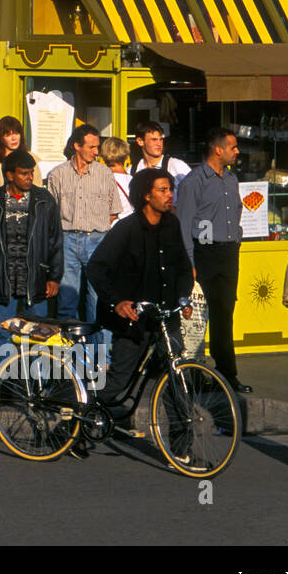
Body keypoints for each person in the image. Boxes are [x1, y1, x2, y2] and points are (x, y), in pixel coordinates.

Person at [86, 169, 194, 417]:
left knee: (177, 383)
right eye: (163, 190)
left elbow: (183, 268)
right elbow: (96, 267)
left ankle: (182, 452)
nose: (170, 195)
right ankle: (78, 423)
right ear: (146, 195)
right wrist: (117, 302)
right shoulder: (127, 228)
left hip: (166, 318)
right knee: (118, 382)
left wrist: (183, 297)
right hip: (136, 321)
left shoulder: (172, 224)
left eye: (171, 190)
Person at [177, 127, 250, 394]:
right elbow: (184, 225)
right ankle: (192, 378)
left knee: (224, 316)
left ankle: (227, 376)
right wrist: (189, 263)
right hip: (203, 252)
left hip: (227, 253)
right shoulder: (193, 182)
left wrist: (236, 239)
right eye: (233, 147)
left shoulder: (230, 179)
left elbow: (237, 212)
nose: (237, 151)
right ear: (218, 149)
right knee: (195, 321)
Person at [0, 148, 63, 365]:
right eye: (24, 173)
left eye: (31, 173)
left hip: (35, 277)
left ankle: (38, 387)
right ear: (10, 175)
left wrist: (55, 276)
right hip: (3, 278)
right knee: (3, 335)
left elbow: (55, 240)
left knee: (39, 336)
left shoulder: (44, 200)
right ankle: (6, 385)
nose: (30, 178)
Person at [46, 124, 123, 326]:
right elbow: (51, 214)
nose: (96, 152)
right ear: (76, 146)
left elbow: (114, 211)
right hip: (67, 240)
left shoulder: (104, 173)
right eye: (91, 147)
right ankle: (69, 353)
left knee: (97, 299)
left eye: (97, 147)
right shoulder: (58, 175)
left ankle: (99, 353)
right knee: (66, 299)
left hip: (97, 239)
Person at [131, 121, 192, 192]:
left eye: (161, 139)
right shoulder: (132, 171)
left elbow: (195, 192)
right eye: (154, 140)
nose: (159, 144)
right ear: (140, 141)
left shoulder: (176, 165)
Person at [0, 116, 43, 189]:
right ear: (1, 138)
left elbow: (38, 186)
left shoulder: (30, 158)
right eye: (8, 135)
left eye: (16, 133)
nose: (14, 138)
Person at [101, 136, 135, 219]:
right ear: (126, 156)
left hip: (114, 228)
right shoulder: (134, 179)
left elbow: (111, 215)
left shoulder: (104, 180)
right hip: (131, 226)